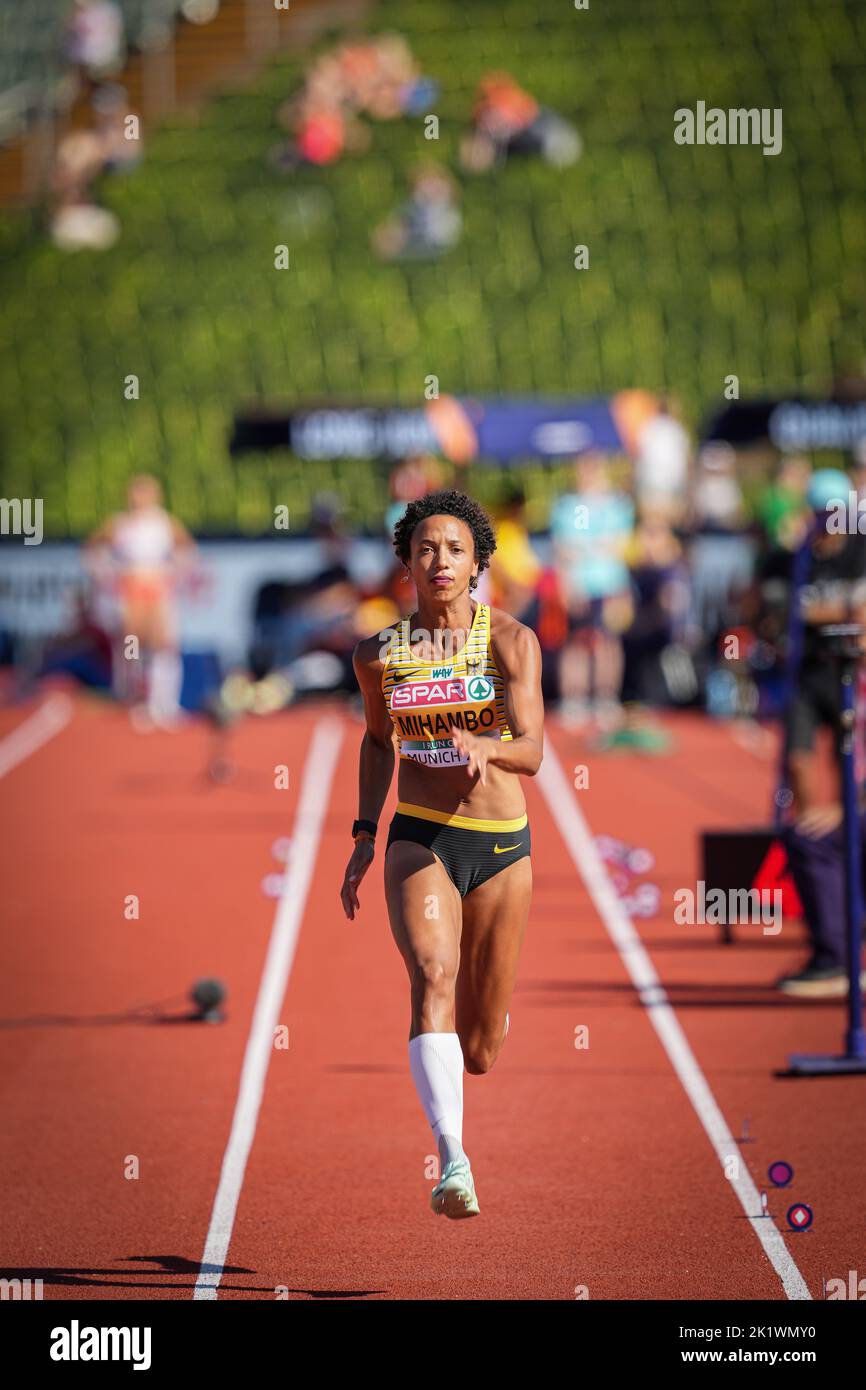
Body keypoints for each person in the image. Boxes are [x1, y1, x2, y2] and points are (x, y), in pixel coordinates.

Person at [340, 489, 544, 1219]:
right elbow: (374, 742)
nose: (440, 560)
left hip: (501, 848)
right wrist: (365, 836)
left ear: (479, 563)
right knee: (432, 974)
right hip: (420, 836)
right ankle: (453, 1158)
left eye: (455, 548)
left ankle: (476, 1037)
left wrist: (490, 746)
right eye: (426, 548)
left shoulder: (511, 642)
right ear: (406, 563)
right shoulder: (378, 656)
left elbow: (535, 751)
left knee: (481, 1049)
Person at [776, 468, 866, 995]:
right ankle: (820, 843)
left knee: (850, 775)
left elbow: (857, 612)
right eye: (819, 513)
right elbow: (776, 603)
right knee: (801, 777)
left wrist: (823, 611)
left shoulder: (859, 550)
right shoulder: (801, 554)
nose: (826, 523)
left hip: (850, 677)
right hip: (808, 679)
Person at [85, 474, 197, 728]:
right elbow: (92, 548)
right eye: (137, 492)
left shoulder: (165, 523)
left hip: (158, 590)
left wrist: (174, 573)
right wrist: (107, 574)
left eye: (146, 492)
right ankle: (137, 702)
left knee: (165, 645)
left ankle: (165, 703)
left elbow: (187, 550)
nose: (140, 498)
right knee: (133, 647)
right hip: (132, 591)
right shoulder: (120, 524)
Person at [549, 451, 635, 726]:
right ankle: (574, 698)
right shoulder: (565, 506)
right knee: (576, 643)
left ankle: (605, 697)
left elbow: (618, 545)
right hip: (579, 584)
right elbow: (563, 549)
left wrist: (586, 548)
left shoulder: (617, 506)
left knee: (608, 642)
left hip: (609, 583)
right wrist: (568, 583)